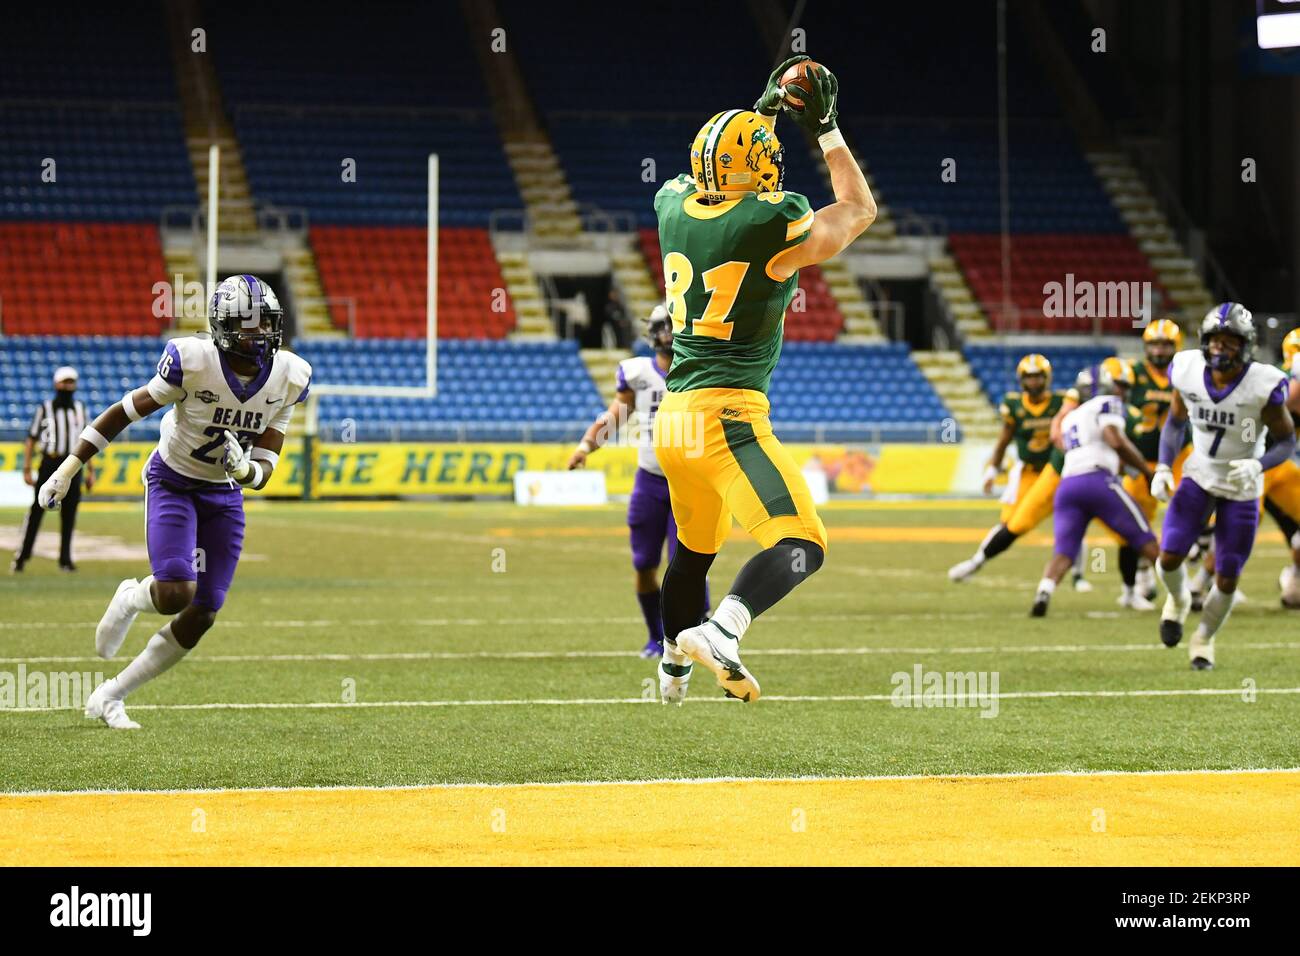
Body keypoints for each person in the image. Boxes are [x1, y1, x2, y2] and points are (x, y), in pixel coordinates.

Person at [650, 56, 876, 703]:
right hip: (727, 418)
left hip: (675, 419)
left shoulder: (671, 205)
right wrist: (825, 127)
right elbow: (857, 210)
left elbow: (706, 179)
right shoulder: (768, 220)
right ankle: (724, 629)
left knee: (693, 553)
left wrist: (763, 108)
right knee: (803, 542)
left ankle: (672, 670)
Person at [37, 275, 312, 728]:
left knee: (203, 611)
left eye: (265, 324)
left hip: (224, 494)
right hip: (174, 480)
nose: (258, 335)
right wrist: (68, 468)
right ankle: (130, 597)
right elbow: (125, 410)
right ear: (222, 329)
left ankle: (111, 695)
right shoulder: (193, 360)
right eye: (247, 327)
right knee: (175, 592)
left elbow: (265, 466)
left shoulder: (291, 375)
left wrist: (244, 471)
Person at [1151, 303, 1295, 669]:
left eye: (1230, 342)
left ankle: (1203, 641)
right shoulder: (1186, 370)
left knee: (1228, 575)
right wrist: (1164, 467)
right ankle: (1180, 600)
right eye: (1215, 341)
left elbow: (1285, 442)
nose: (1220, 349)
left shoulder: (1263, 384)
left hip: (1241, 484)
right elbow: (1173, 422)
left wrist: (1258, 464)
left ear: (1245, 346)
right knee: (1168, 556)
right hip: (1200, 473)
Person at [568, 305, 708, 656]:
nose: (668, 335)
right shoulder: (638, 373)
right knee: (644, 563)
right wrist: (586, 446)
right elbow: (614, 416)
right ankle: (656, 636)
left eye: (674, 327)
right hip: (650, 481)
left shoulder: (703, 373)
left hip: (690, 483)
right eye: (664, 327)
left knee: (686, 565)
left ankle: (697, 629)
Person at [1030, 360, 1158, 616]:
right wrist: (1146, 471)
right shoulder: (1107, 404)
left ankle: (1044, 590)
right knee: (1144, 536)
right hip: (1097, 481)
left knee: (1064, 550)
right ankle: (1185, 589)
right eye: (1119, 386)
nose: (1122, 392)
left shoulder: (1071, 417)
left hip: (1068, 485)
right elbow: (1114, 440)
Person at [12, 366, 93, 572]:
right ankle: (22, 556)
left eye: (71, 382)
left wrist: (90, 470)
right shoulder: (44, 408)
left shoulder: (80, 408)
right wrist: (27, 467)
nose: (68, 386)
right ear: (56, 384)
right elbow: (31, 438)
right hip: (50, 463)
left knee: (70, 513)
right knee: (37, 510)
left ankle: (65, 559)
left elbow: (88, 441)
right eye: (65, 382)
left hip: (73, 464)